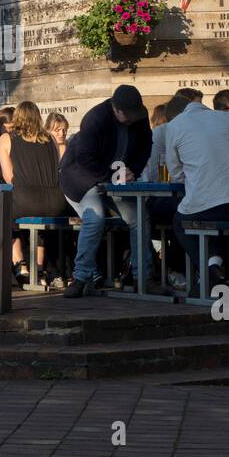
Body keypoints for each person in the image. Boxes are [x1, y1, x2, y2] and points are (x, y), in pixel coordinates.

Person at [58, 85, 152, 298]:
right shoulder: (95, 118)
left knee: (139, 216)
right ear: (115, 109)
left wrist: (132, 172)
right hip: (80, 177)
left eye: (133, 116)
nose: (130, 121)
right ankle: (80, 277)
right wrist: (113, 177)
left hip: (112, 178)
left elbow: (146, 146)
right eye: (126, 116)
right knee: (95, 217)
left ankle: (143, 279)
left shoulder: (139, 116)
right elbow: (84, 159)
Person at [164, 92, 229, 290]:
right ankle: (227, 274)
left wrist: (198, 179)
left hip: (209, 204)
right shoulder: (228, 118)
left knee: (180, 221)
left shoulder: (175, 125)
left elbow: (175, 173)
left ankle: (210, 266)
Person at [0, 101, 69, 286]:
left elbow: (8, 178)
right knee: (40, 220)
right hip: (56, 201)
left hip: (26, 198)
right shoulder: (51, 139)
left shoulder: (7, 139)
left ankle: (20, 264)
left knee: (2, 215)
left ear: (17, 118)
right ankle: (39, 268)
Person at [140, 91, 197, 290]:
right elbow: (156, 174)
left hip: (184, 194)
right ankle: (176, 267)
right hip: (158, 197)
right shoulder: (161, 134)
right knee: (181, 210)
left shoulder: (193, 133)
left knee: (187, 208)